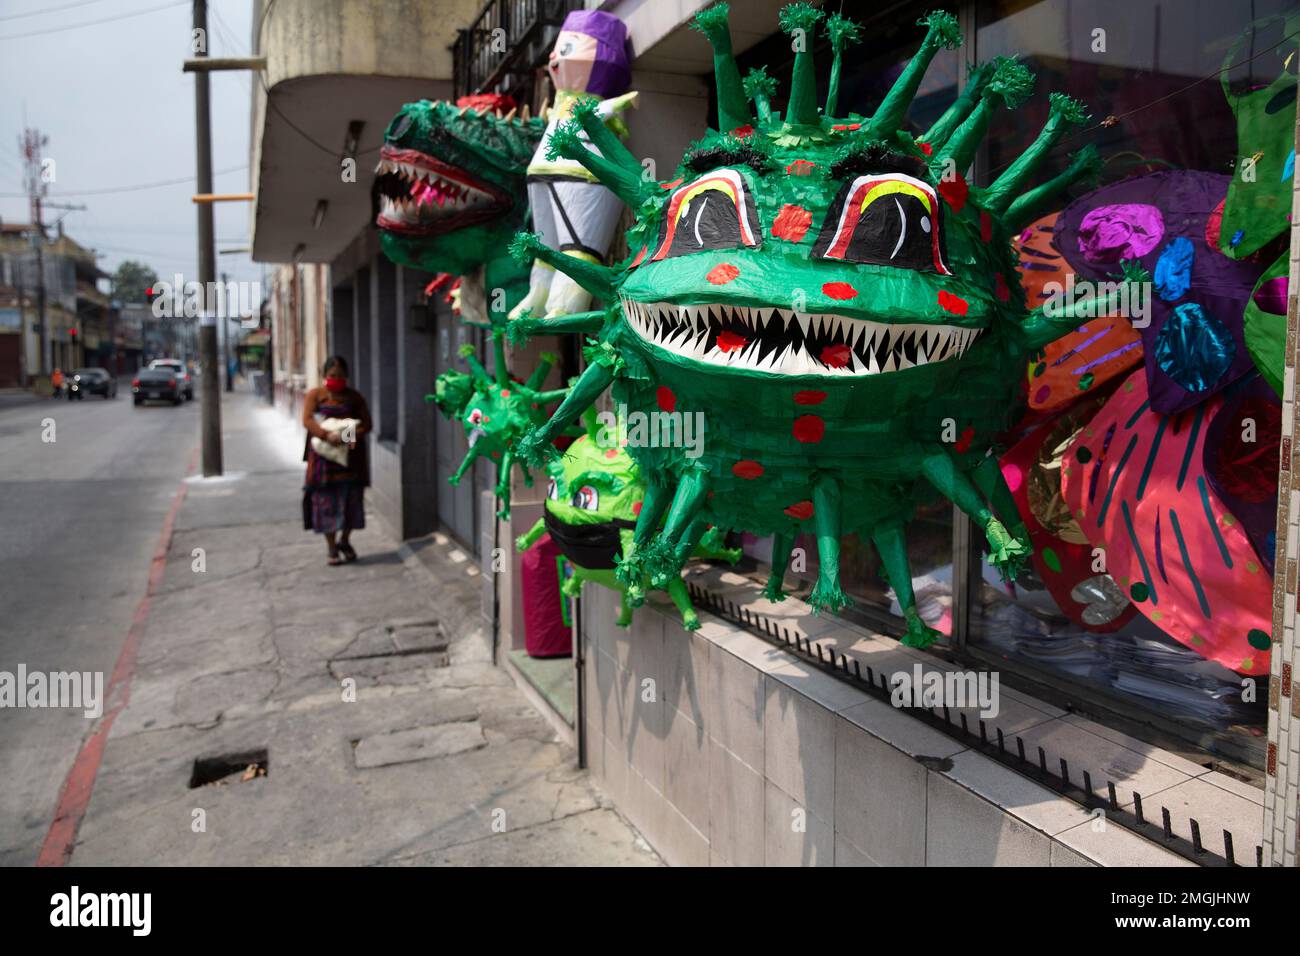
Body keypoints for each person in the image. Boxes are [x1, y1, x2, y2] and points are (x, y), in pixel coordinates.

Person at [301, 356, 372, 565]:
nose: (336, 379)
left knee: (351, 501)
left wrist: (344, 437)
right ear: (324, 376)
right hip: (323, 461)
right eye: (332, 376)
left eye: (340, 376)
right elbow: (307, 419)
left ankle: (345, 540)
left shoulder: (354, 398)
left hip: (350, 460)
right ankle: (331, 546)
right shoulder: (316, 395)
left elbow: (367, 424)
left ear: (347, 377)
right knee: (326, 504)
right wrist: (325, 436)